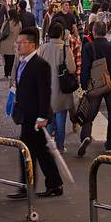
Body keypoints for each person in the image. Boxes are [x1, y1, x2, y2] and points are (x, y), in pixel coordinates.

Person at [7, 29, 65, 198]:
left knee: (27, 151)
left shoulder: (40, 65)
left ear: (32, 45)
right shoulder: (21, 62)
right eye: (17, 43)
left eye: (21, 43)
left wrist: (42, 116)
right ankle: (53, 184)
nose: (17, 46)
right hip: (25, 114)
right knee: (40, 151)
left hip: (35, 116)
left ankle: (27, 187)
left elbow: (45, 92)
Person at [78, 21, 111, 157]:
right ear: (106, 32)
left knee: (90, 113)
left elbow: (84, 68)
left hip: (95, 85)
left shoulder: (88, 47)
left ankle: (85, 136)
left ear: (94, 32)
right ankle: (110, 144)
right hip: (110, 84)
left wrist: (84, 86)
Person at [38, 21, 76, 151]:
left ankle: (48, 145)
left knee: (48, 119)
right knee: (61, 120)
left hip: (46, 90)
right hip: (62, 90)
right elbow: (72, 69)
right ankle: (60, 147)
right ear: (61, 34)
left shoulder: (42, 48)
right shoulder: (66, 49)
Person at [0, 5, 23, 79]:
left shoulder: (7, 22)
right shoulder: (18, 23)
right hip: (14, 43)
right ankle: (11, 72)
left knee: (6, 59)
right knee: (12, 59)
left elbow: (1, 32)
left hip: (5, 43)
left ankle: (6, 73)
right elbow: (20, 32)